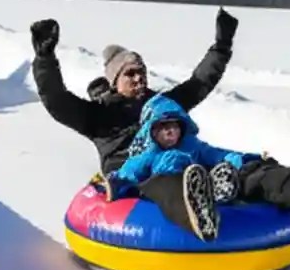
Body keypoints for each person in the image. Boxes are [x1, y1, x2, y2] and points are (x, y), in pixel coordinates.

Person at [29, 9, 290, 239]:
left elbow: (199, 83)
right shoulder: (98, 117)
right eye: (130, 73)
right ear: (115, 80)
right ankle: (198, 211)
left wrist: (222, 46)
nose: (139, 77)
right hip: (143, 176)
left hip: (189, 160)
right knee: (167, 180)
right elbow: (56, 101)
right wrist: (45, 59)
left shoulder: (161, 105)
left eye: (142, 70)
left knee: (245, 167)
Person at [102, 93, 256, 240]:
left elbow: (217, 154)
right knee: (166, 179)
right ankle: (198, 206)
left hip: (190, 177)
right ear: (152, 132)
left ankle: (212, 189)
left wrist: (239, 160)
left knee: (198, 168)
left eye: (174, 126)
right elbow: (130, 170)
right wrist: (115, 181)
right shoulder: (149, 154)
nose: (170, 131)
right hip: (165, 183)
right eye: (163, 127)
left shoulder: (192, 146)